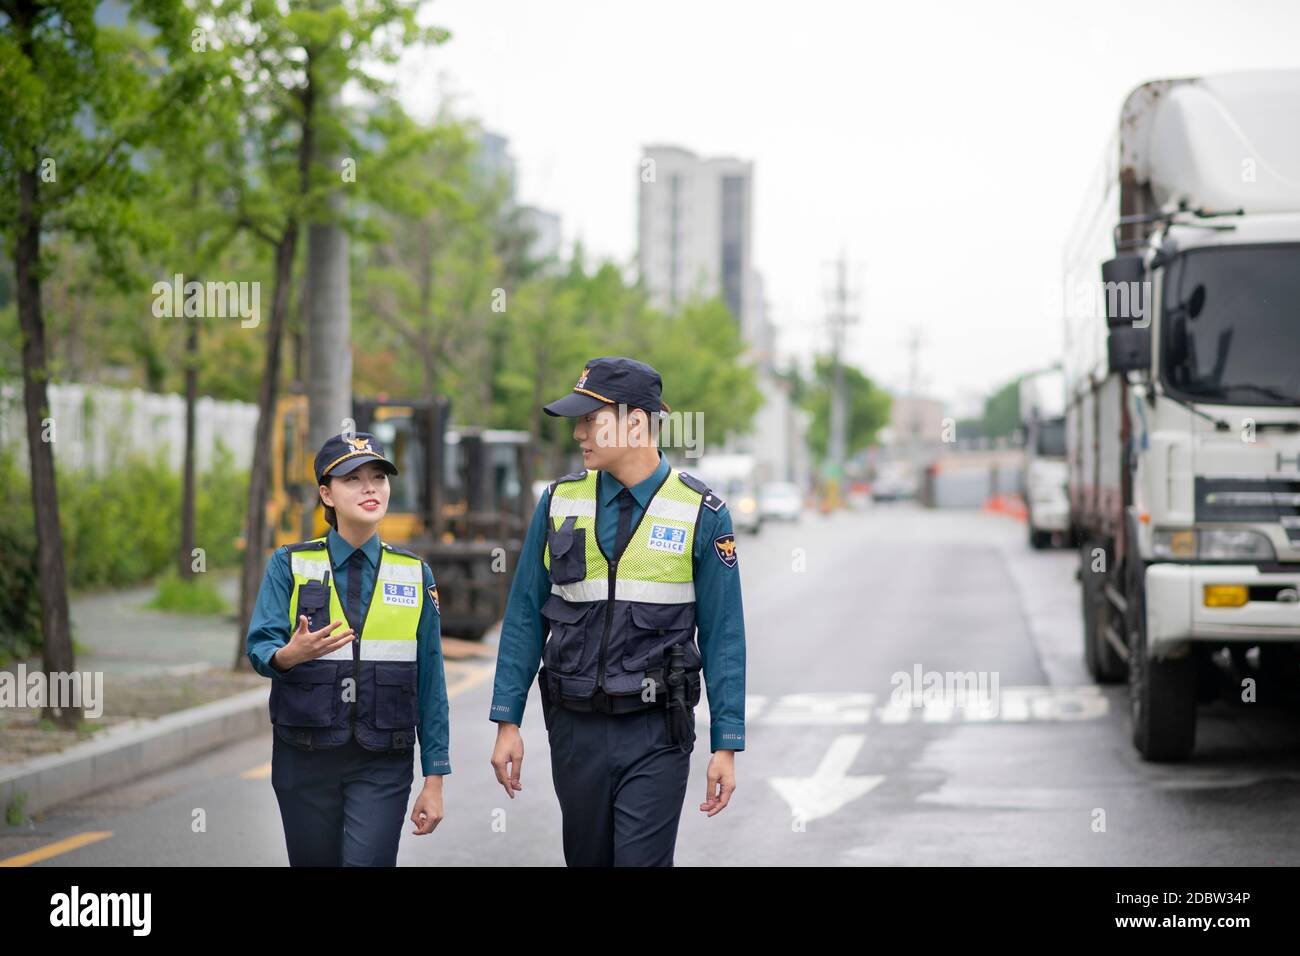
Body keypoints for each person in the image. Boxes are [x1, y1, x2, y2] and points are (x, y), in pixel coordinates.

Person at [489, 356, 747, 866]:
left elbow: (724, 636)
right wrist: (506, 720)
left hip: (656, 728)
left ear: (634, 423)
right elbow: (524, 615)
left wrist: (727, 741)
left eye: (591, 419)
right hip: (574, 727)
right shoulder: (559, 501)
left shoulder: (702, 512)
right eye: (577, 421)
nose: (579, 432)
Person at [246, 431, 450, 866]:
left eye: (378, 477)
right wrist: (289, 654)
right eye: (353, 479)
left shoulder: (415, 574)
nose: (370, 487)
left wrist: (434, 776)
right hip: (304, 758)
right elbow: (261, 645)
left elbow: (431, 682)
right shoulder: (289, 564)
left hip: (382, 762)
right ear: (327, 494)